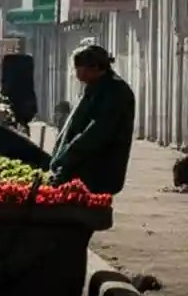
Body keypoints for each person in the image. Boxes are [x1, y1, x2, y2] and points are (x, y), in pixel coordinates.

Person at [50, 44, 136, 195]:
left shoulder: (115, 91)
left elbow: (97, 132)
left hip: (99, 168)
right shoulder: (94, 86)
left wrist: (68, 155)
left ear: (95, 67)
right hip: (82, 166)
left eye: (79, 67)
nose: (76, 73)